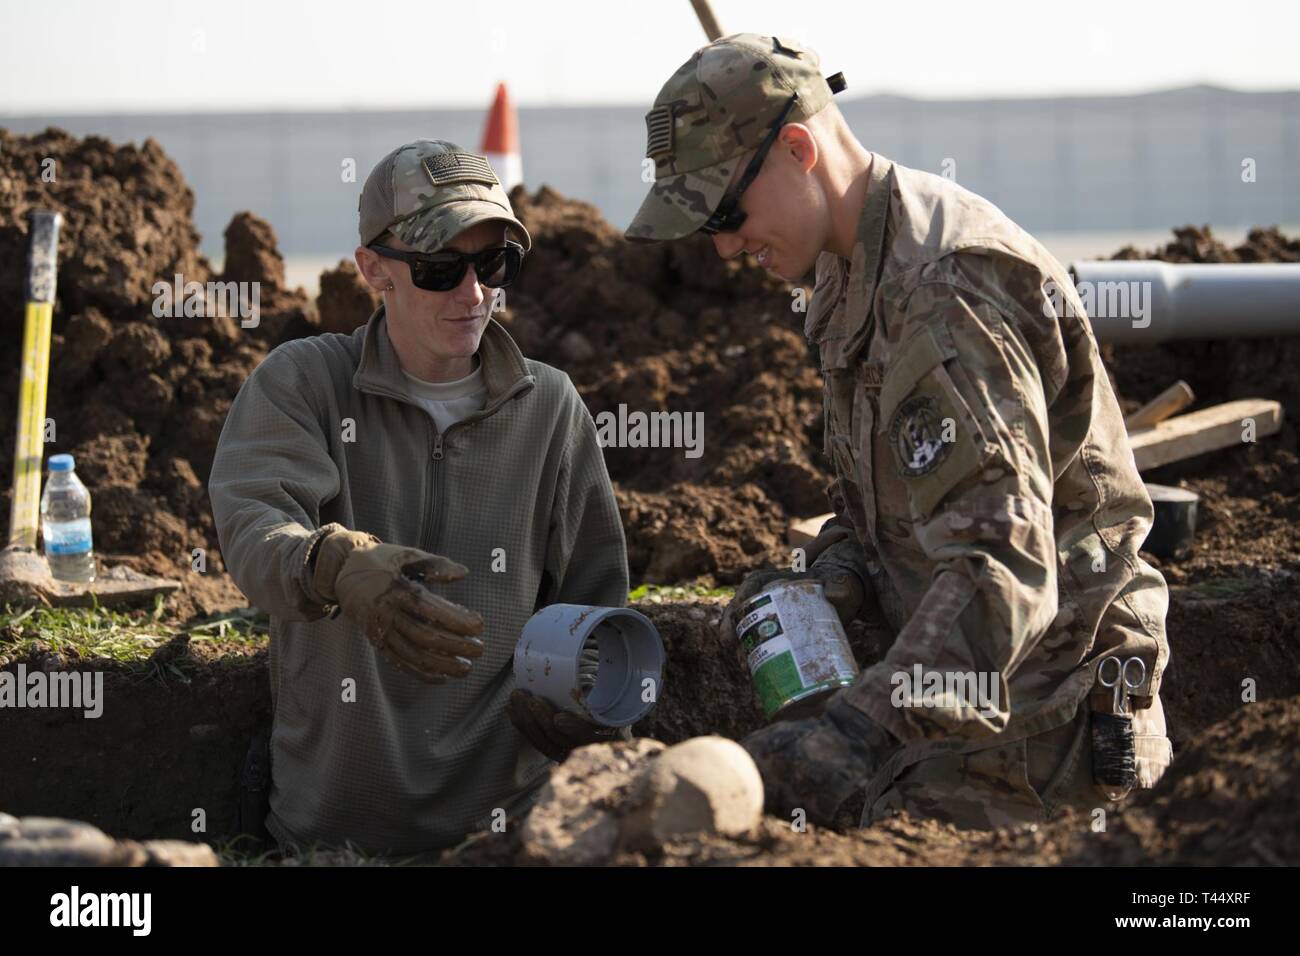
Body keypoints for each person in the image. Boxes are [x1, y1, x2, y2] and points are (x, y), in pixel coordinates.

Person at [626, 34, 1173, 830]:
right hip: (964, 719)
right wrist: (827, 581)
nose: (723, 244)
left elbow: (1003, 566)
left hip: (1039, 745)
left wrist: (859, 728)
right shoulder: (853, 274)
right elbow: (907, 507)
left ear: (798, 147)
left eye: (724, 210)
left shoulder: (942, 293)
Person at [209, 139, 628, 856]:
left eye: (493, 265)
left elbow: (594, 600)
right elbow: (254, 528)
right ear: (373, 269)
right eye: (439, 270)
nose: (473, 295)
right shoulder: (306, 385)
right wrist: (333, 563)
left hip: (501, 840)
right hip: (330, 838)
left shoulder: (550, 407)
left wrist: (596, 695)